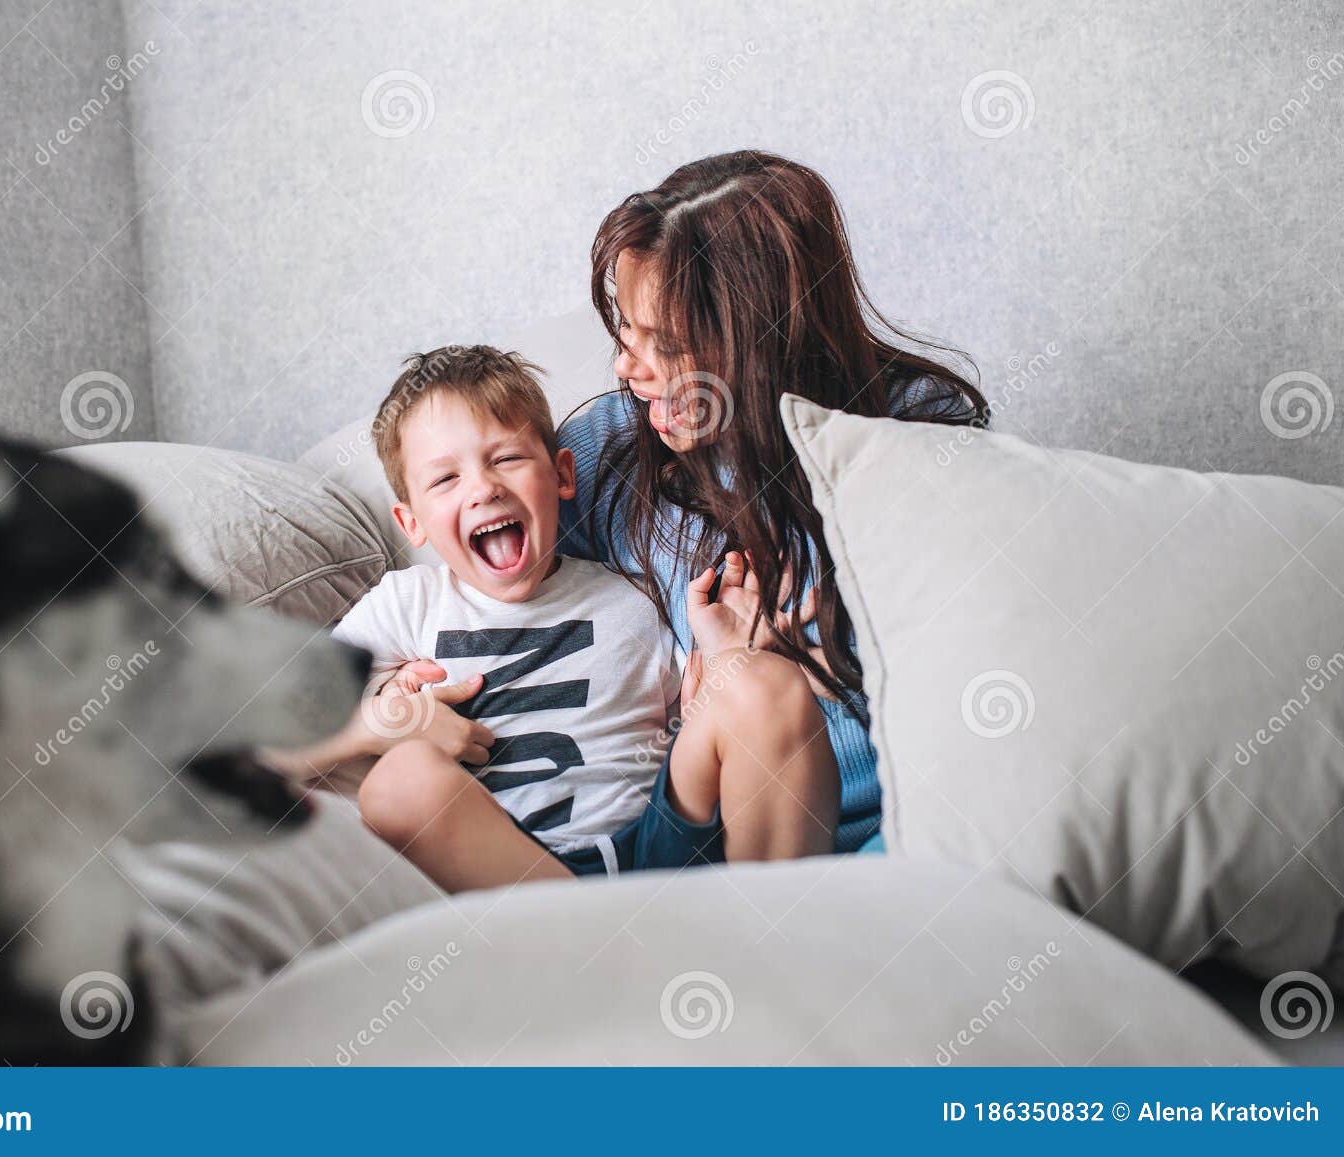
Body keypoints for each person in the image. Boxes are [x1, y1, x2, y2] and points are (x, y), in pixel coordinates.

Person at [558, 149, 988, 853]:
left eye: (663, 343)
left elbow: (988, 656)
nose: (625, 368)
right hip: (710, 829)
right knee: (757, 690)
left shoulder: (912, 432)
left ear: (762, 338)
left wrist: (813, 665)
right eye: (623, 333)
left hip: (901, 826)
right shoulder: (607, 453)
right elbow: (496, 598)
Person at [286, 345, 838, 893]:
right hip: (505, 866)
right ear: (412, 523)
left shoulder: (632, 594)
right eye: (445, 480)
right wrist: (383, 724)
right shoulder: (408, 603)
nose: (483, 488)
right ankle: (592, 941)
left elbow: (700, 719)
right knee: (397, 785)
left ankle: (763, 937)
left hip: (654, 849)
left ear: (561, 476)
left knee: (765, 684)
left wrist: (727, 657)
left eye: (505, 458)